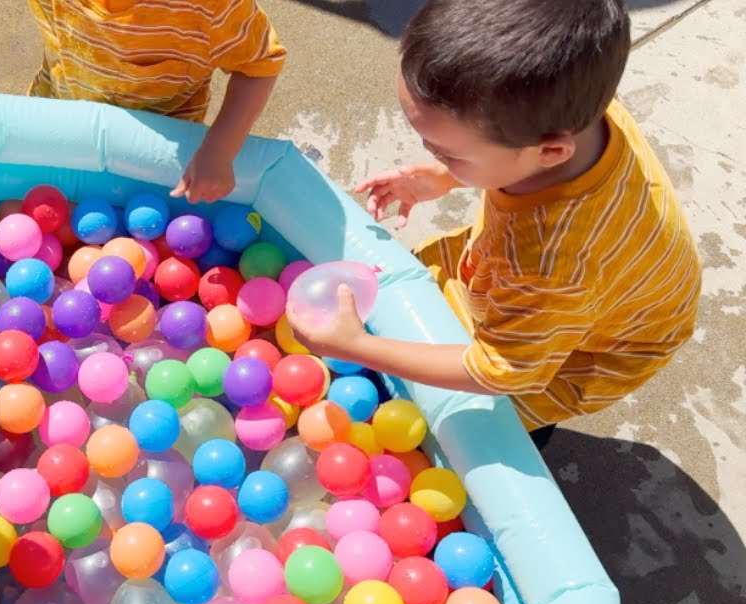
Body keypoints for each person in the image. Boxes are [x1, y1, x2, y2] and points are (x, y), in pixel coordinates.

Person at [291, 0, 700, 449]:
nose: (430, 152)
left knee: (490, 417)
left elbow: (502, 370)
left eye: (448, 152)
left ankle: (525, 442)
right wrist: (447, 174)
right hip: (603, 284)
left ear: (550, 152)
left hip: (590, 346)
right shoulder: (573, 102)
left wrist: (358, 347)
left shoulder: (548, 262)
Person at [0, 0, 286, 204]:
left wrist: (219, 150)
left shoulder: (206, 8)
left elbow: (260, 65)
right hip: (57, 107)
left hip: (153, 149)